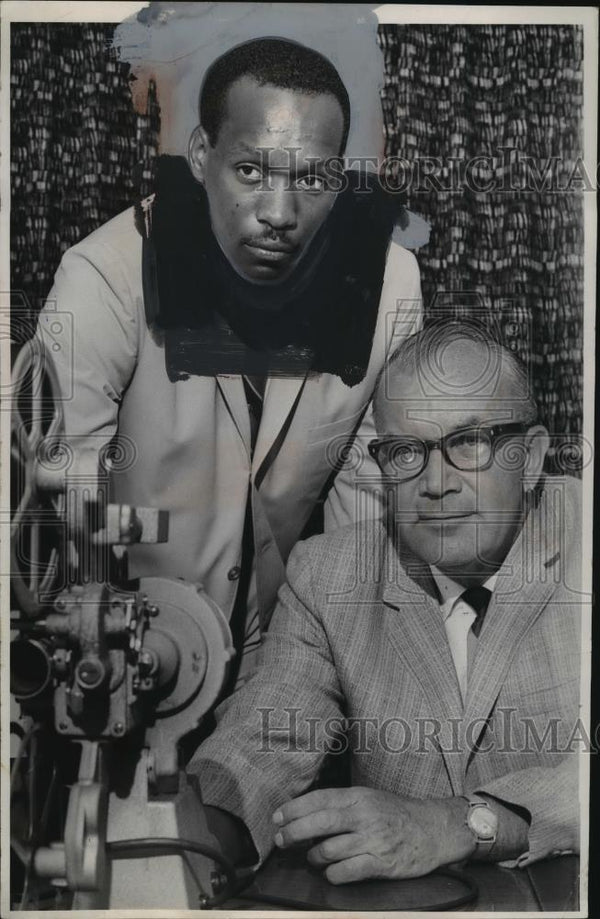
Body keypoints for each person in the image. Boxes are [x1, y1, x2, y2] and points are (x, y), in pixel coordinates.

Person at [37, 37, 422, 687]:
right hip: (121, 654)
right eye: (251, 171)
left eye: (311, 178)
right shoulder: (104, 276)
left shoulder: (388, 286)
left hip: (280, 656)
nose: (279, 214)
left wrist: (340, 688)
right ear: (198, 156)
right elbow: (61, 499)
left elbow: (368, 511)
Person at [189, 320, 582, 882]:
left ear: (534, 456)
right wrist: (193, 838)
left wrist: (461, 822)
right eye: (405, 452)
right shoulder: (330, 575)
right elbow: (261, 743)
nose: (436, 483)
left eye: (468, 443)